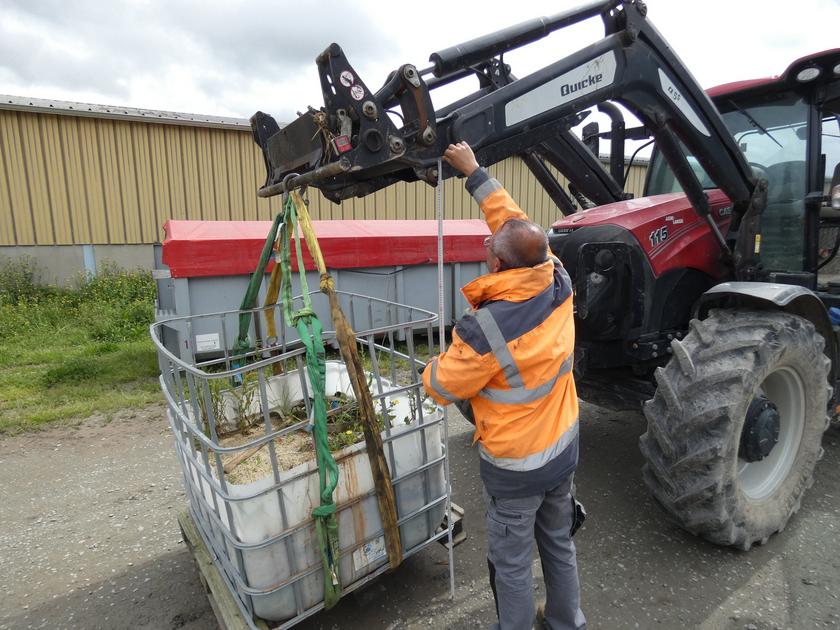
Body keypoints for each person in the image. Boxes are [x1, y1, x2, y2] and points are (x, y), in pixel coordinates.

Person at [422, 142, 585, 630]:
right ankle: (566, 622)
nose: (487, 245)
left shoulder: (485, 330)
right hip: (564, 446)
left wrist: (429, 368)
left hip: (517, 469)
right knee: (558, 542)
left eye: (490, 246)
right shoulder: (556, 276)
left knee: (511, 563)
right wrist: (474, 172)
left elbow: (442, 386)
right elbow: (514, 222)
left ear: (496, 265)